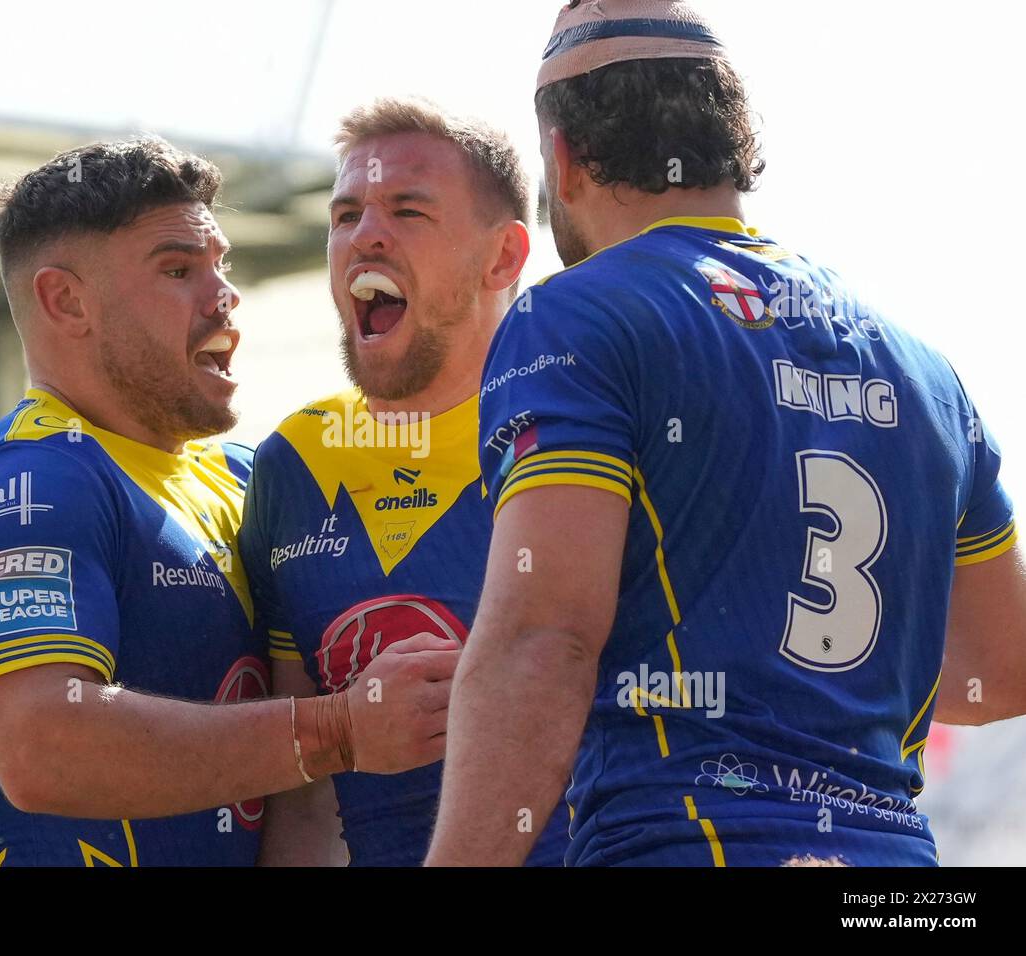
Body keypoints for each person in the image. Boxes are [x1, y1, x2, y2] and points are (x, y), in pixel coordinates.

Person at [428, 0, 1025, 866]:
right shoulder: (925, 367)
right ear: (735, 140)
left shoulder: (577, 315)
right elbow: (1003, 667)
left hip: (690, 840)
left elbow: (544, 636)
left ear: (561, 158)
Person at [0, 138, 459, 867]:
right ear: (65, 300)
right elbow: (43, 745)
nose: (223, 295)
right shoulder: (30, 492)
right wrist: (340, 731)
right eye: (177, 269)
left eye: (220, 264)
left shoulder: (253, 478)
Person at [241, 98, 569, 865]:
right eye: (346, 214)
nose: (366, 236)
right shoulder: (293, 463)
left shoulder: (575, 427)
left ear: (504, 257)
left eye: (407, 211)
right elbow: (305, 798)